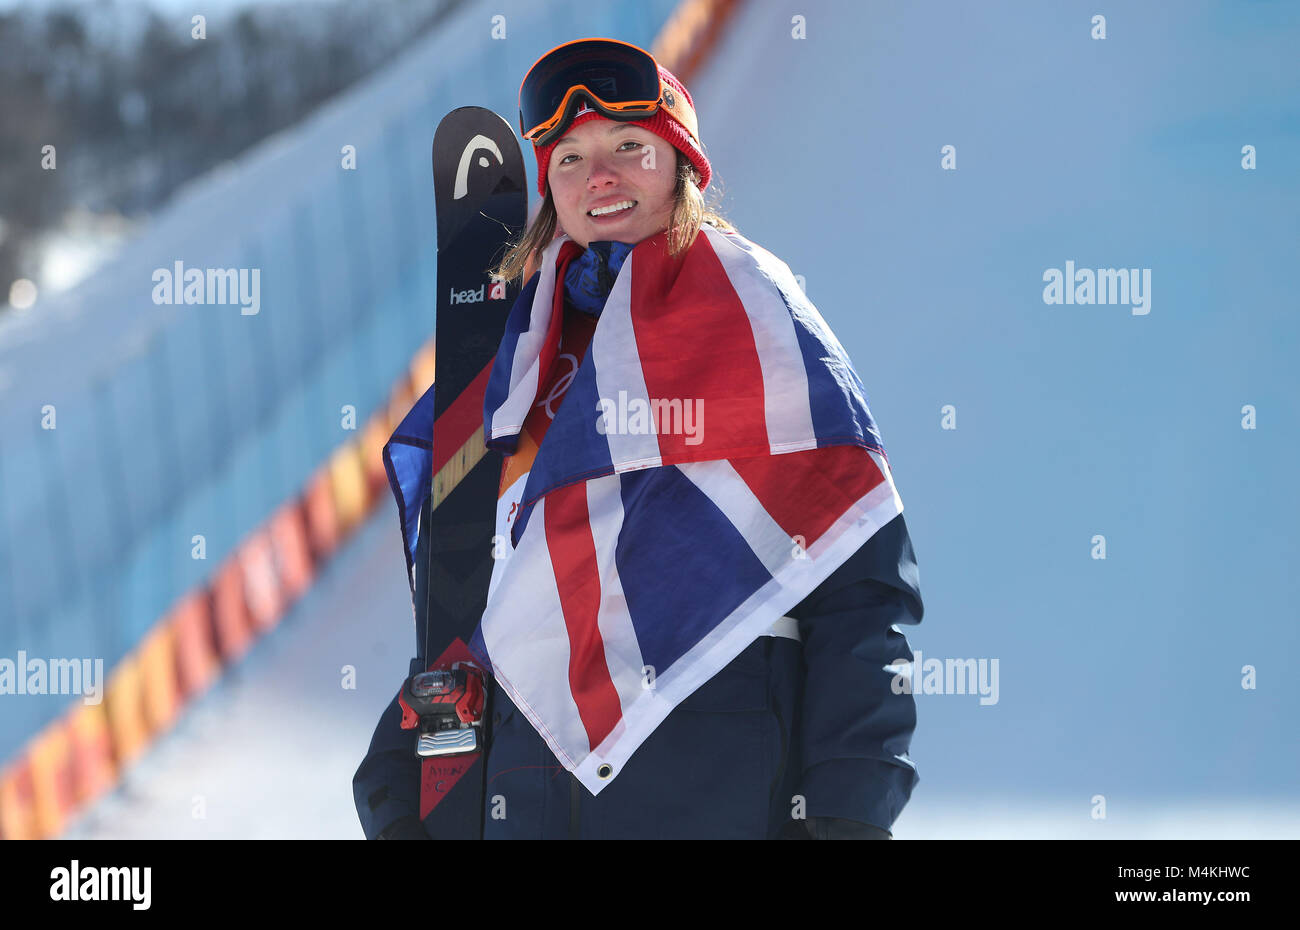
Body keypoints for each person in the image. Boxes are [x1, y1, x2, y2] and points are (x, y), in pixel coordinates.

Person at [354, 37, 923, 841]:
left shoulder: (757, 316)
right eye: (571, 161)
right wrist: (404, 768)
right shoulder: (524, 363)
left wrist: (848, 806)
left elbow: (860, 583)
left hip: (712, 771)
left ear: (682, 165)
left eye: (629, 148)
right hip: (535, 781)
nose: (601, 178)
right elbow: (498, 602)